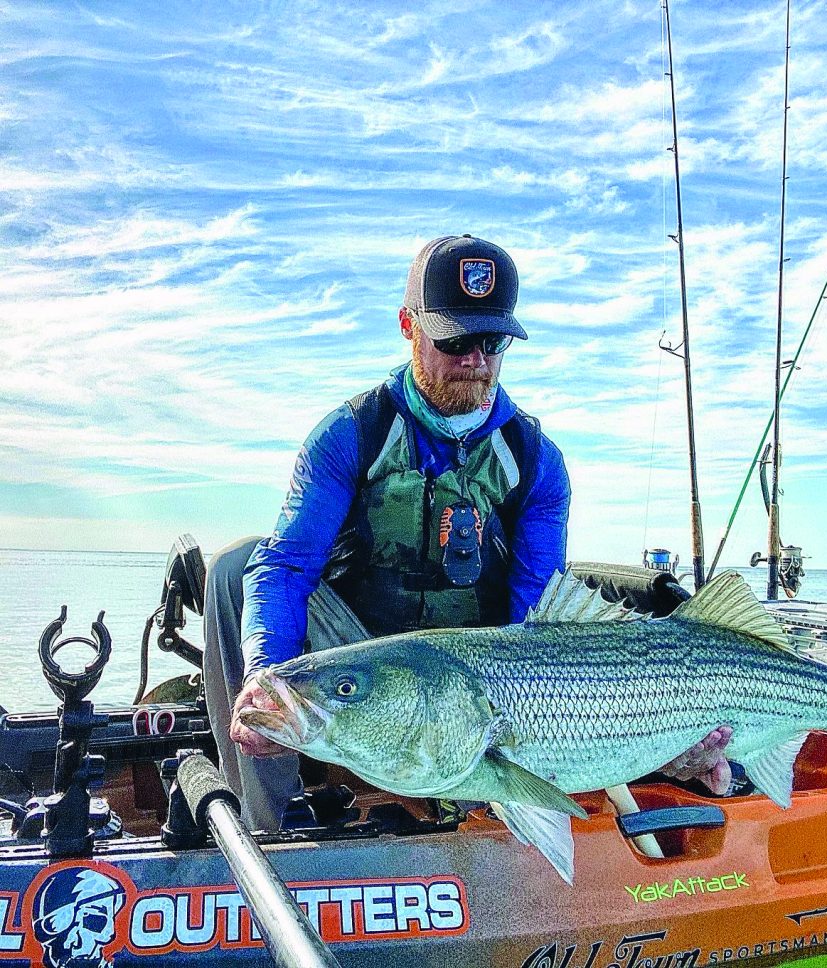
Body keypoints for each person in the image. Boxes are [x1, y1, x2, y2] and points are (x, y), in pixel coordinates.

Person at [203, 234, 731, 832]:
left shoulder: (535, 460)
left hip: (485, 672)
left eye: (492, 340)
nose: (475, 359)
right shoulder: (351, 434)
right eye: (454, 339)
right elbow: (287, 567)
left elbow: (536, 622)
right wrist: (265, 678)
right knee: (234, 568)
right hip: (363, 650)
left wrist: (654, 737)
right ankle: (264, 820)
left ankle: (477, 793)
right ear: (409, 326)